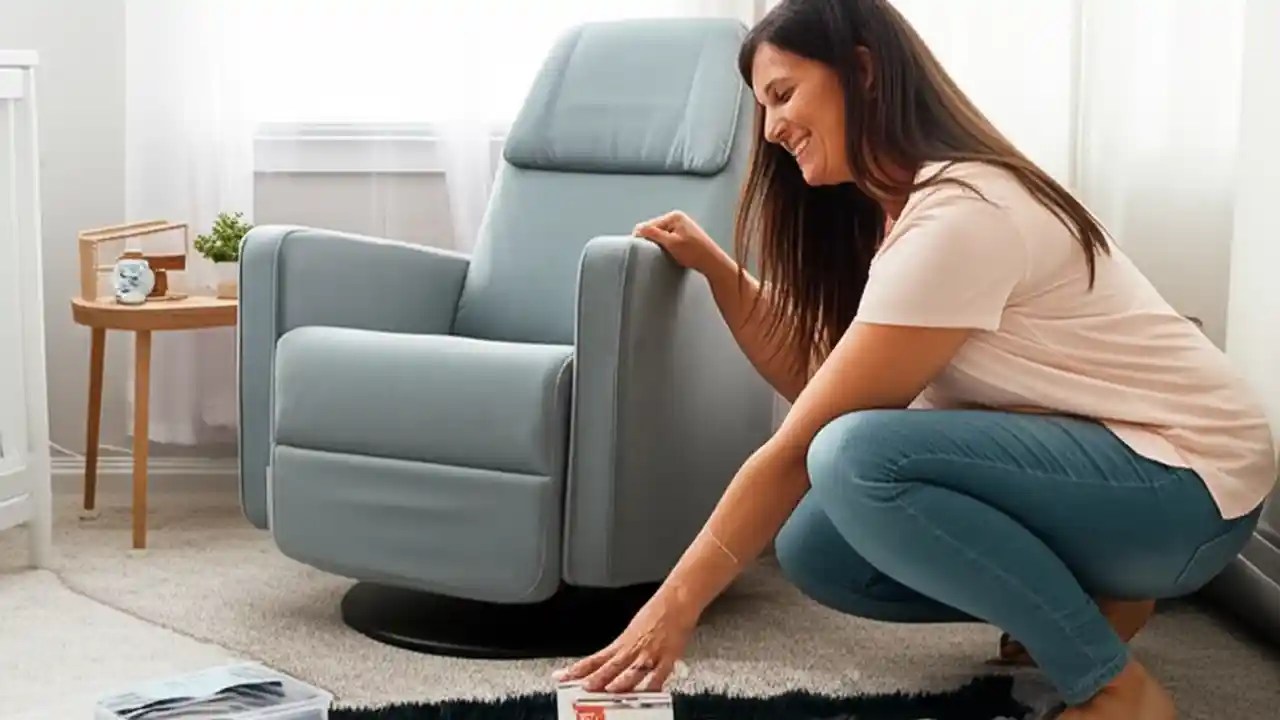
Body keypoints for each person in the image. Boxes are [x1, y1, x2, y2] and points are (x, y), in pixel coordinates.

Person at [552, 1, 1277, 718]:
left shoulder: (961, 213)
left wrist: (671, 607)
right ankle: (1090, 600)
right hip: (1120, 481)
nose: (770, 130)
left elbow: (809, 438)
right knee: (817, 544)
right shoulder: (897, 218)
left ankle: (1114, 688)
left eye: (782, 94)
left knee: (852, 458)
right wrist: (720, 272)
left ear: (861, 72)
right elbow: (822, 383)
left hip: (1186, 486)